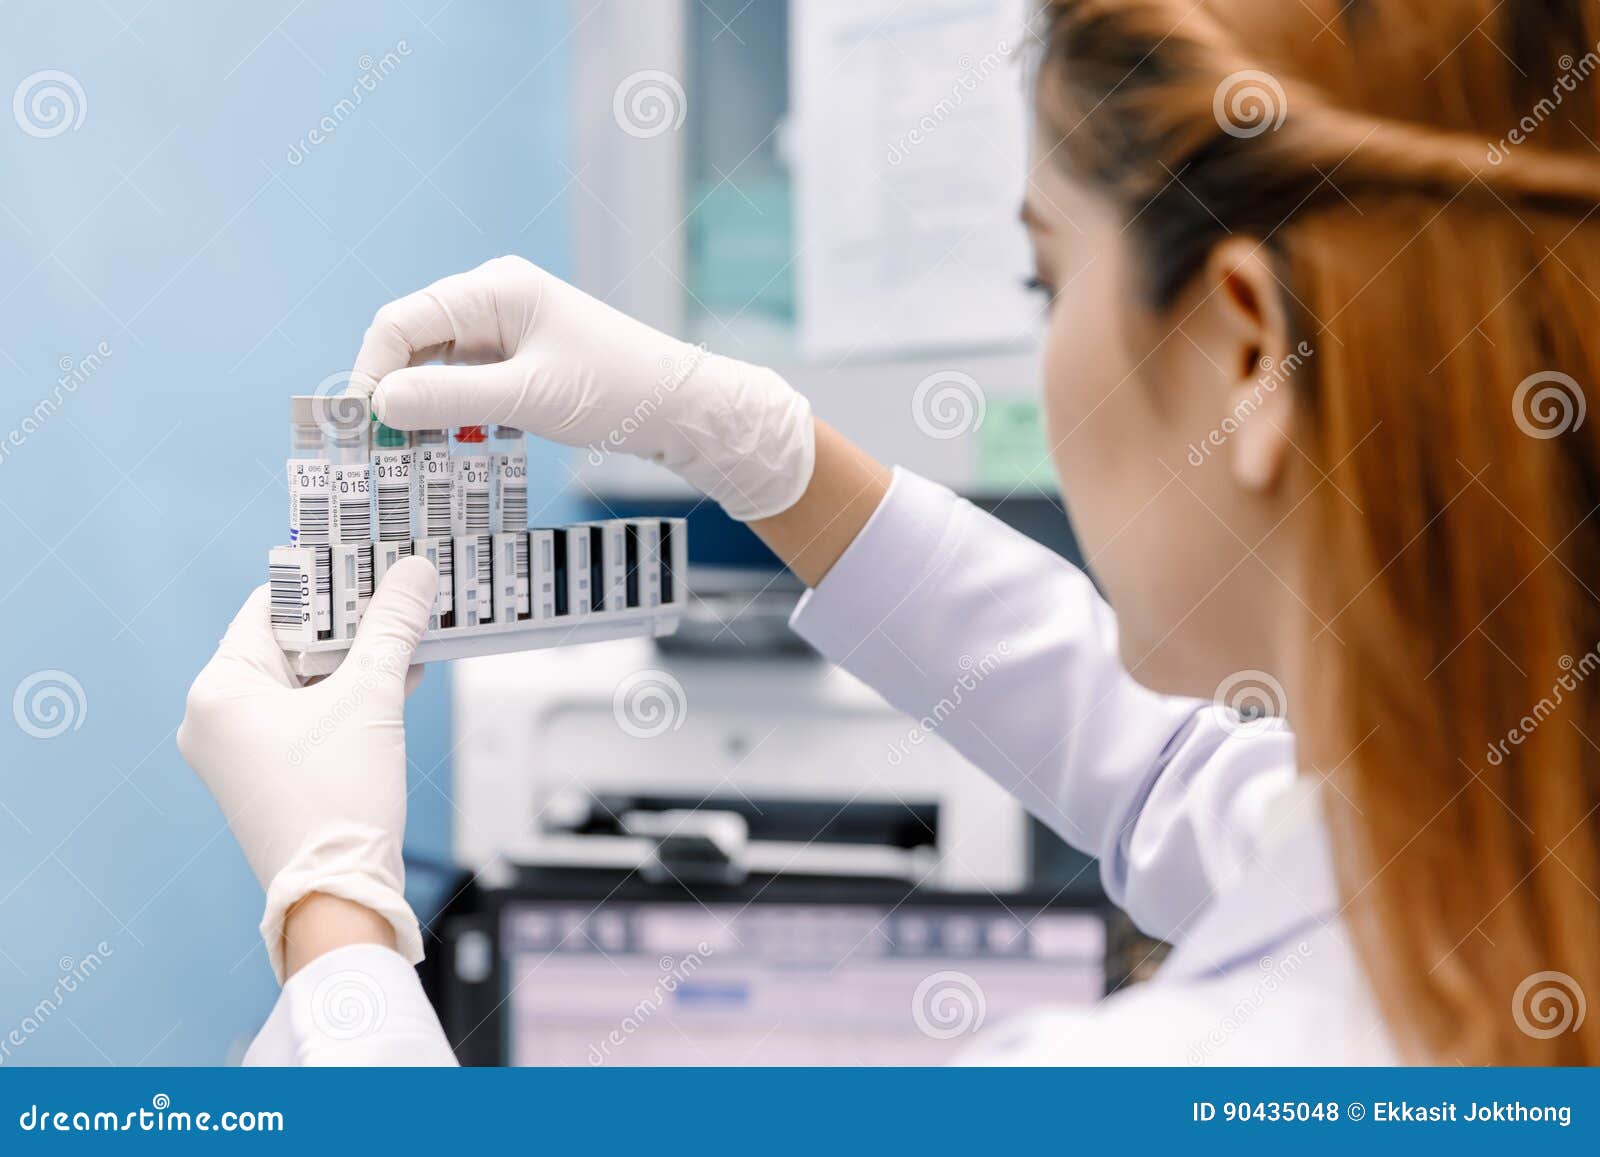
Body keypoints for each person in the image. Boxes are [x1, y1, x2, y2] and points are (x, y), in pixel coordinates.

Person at [180, 0, 1600, 1065]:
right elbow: (1182, 773)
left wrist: (333, 915)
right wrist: (758, 444)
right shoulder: (1498, 851)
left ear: (1248, 356)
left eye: (1044, 278)